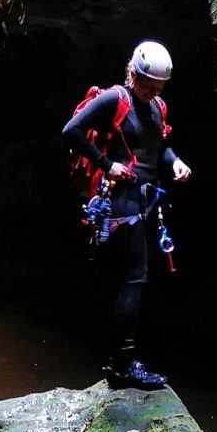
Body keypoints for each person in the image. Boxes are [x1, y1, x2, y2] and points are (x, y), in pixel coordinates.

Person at [63, 40, 192, 390]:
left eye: (159, 86)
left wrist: (176, 162)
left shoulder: (157, 107)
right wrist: (107, 164)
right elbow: (71, 129)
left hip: (147, 199)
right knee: (133, 278)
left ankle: (121, 359)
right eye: (148, 83)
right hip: (120, 200)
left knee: (135, 279)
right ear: (133, 73)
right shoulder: (114, 99)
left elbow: (159, 147)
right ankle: (122, 364)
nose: (153, 91)